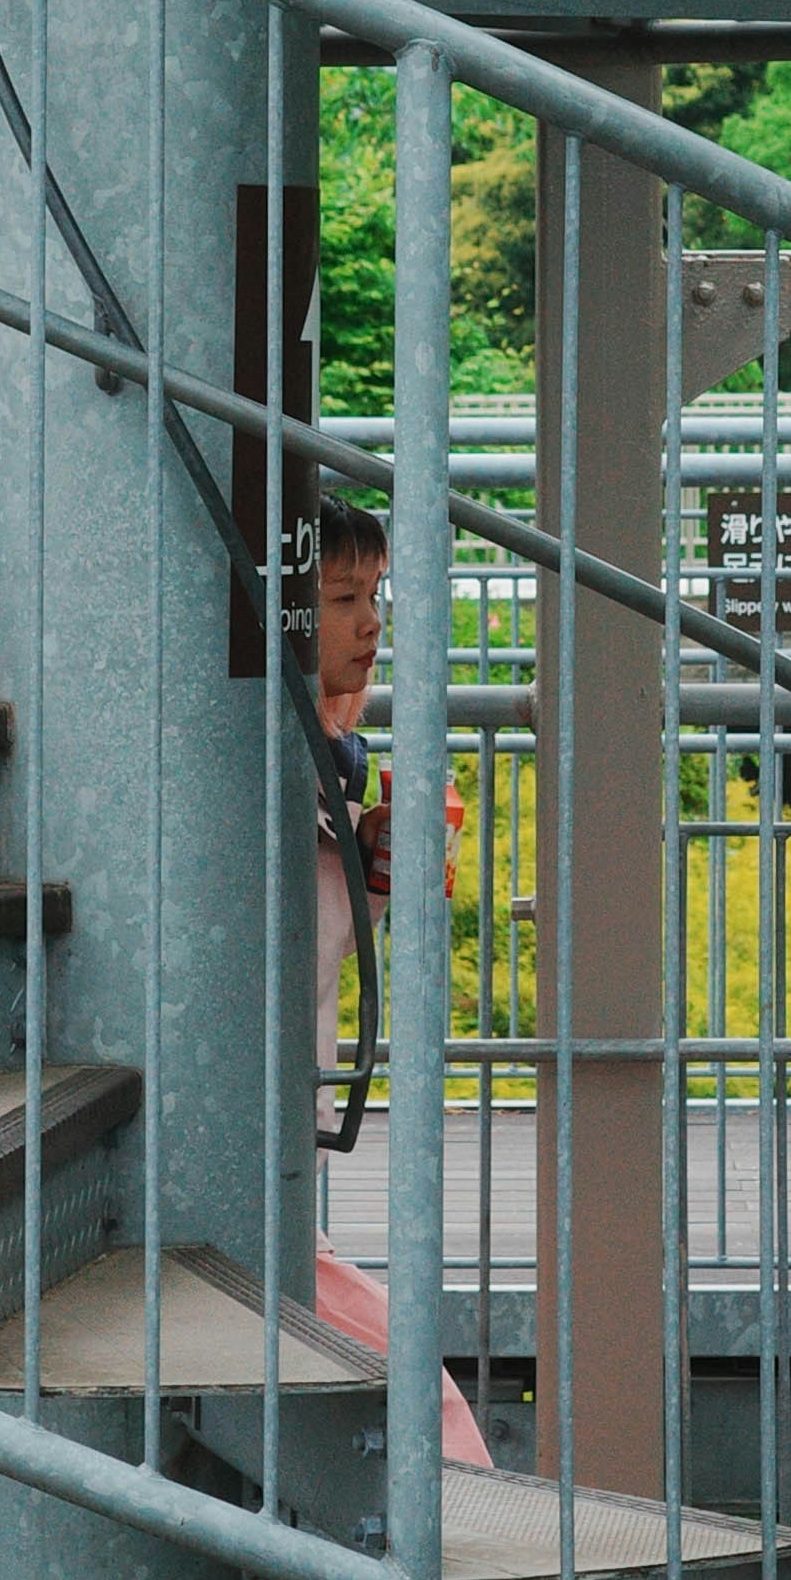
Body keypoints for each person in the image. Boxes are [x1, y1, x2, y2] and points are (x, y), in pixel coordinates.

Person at [300, 501, 488, 1470]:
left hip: (286, 1172)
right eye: (341, 598)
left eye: (375, 594)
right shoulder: (268, 758)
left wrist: (372, 864)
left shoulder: (323, 761)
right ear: (286, 615)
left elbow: (313, 938)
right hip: (263, 1186)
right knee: (436, 1423)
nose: (371, 622)